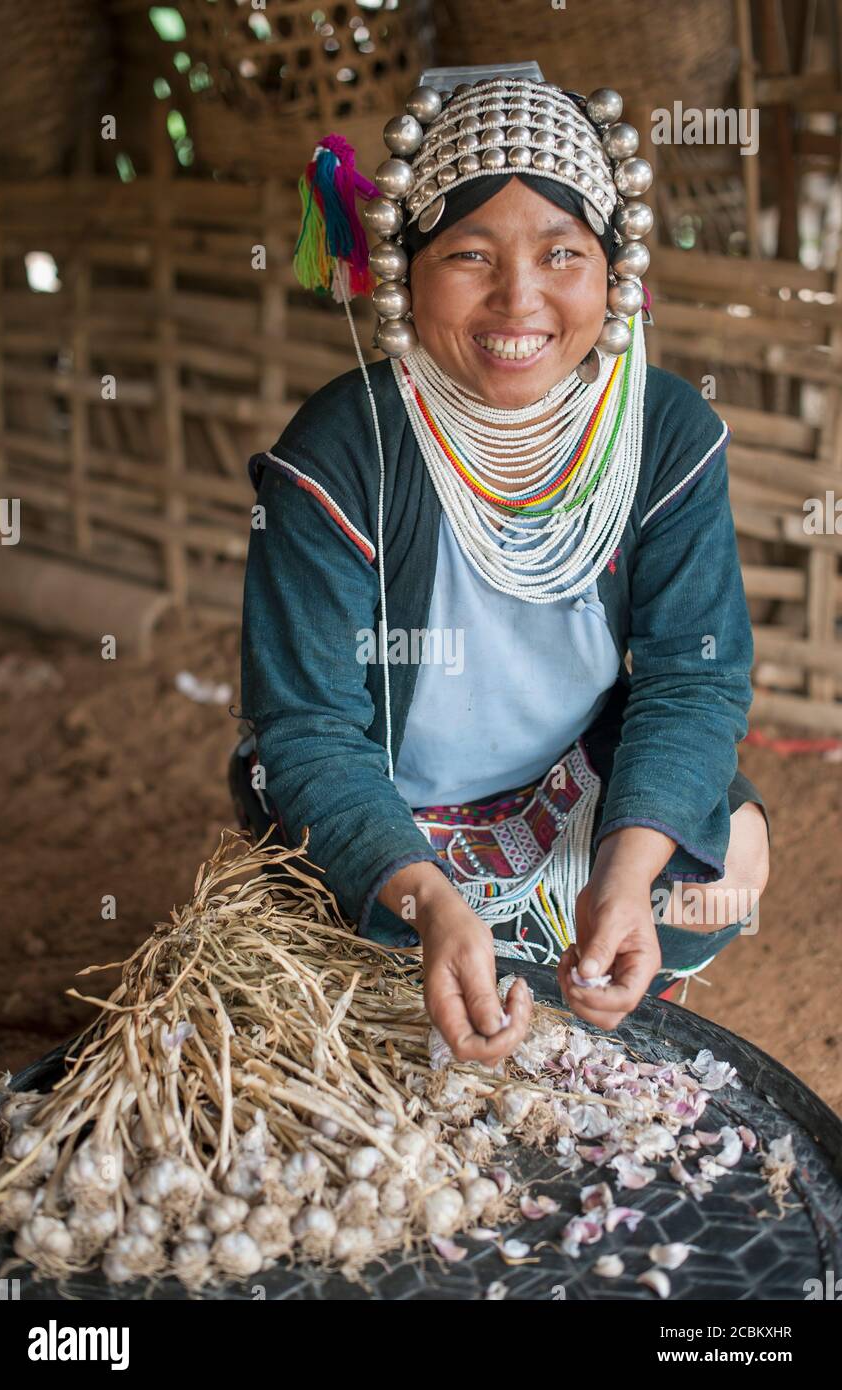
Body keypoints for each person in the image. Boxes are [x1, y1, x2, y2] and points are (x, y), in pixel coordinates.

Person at [233, 68, 771, 1069]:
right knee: (334, 924)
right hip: (390, 817)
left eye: (562, 253)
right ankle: (432, 944)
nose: (518, 299)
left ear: (614, 271)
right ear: (407, 269)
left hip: (562, 795)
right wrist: (426, 894)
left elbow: (692, 682)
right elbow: (303, 727)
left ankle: (527, 945)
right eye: (470, 255)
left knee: (729, 862)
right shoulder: (340, 454)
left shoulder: (664, 436)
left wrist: (622, 870)